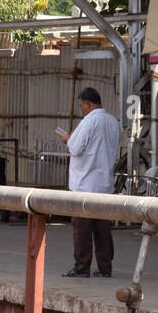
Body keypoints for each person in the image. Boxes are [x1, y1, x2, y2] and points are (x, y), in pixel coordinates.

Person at [59, 87, 122, 278]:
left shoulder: (89, 121)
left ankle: (81, 267)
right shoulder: (114, 122)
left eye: (82, 106)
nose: (82, 110)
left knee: (82, 230)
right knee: (103, 229)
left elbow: (76, 148)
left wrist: (68, 139)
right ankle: (105, 267)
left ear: (89, 103)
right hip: (104, 184)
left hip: (84, 185)